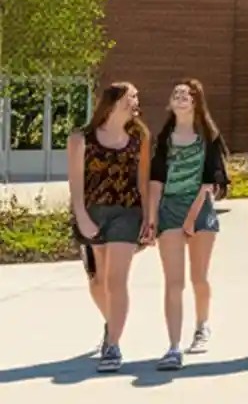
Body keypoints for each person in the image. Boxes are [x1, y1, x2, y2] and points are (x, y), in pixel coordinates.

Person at [68, 82, 153, 373]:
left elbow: (143, 181)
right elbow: (76, 184)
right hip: (92, 212)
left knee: (117, 281)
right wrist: (81, 216)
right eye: (132, 96)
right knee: (98, 282)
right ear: (115, 101)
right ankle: (111, 322)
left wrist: (148, 218)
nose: (136, 101)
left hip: (127, 213)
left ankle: (113, 345)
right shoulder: (82, 138)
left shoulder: (139, 136)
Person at [146, 79, 228, 370]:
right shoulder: (163, 138)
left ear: (196, 103)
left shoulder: (209, 136)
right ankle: (173, 346)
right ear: (170, 103)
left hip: (200, 211)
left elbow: (211, 182)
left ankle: (202, 325)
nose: (181, 97)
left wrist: (192, 218)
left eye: (187, 94)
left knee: (198, 277)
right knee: (174, 281)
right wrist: (152, 218)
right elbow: (156, 179)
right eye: (176, 93)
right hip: (170, 209)